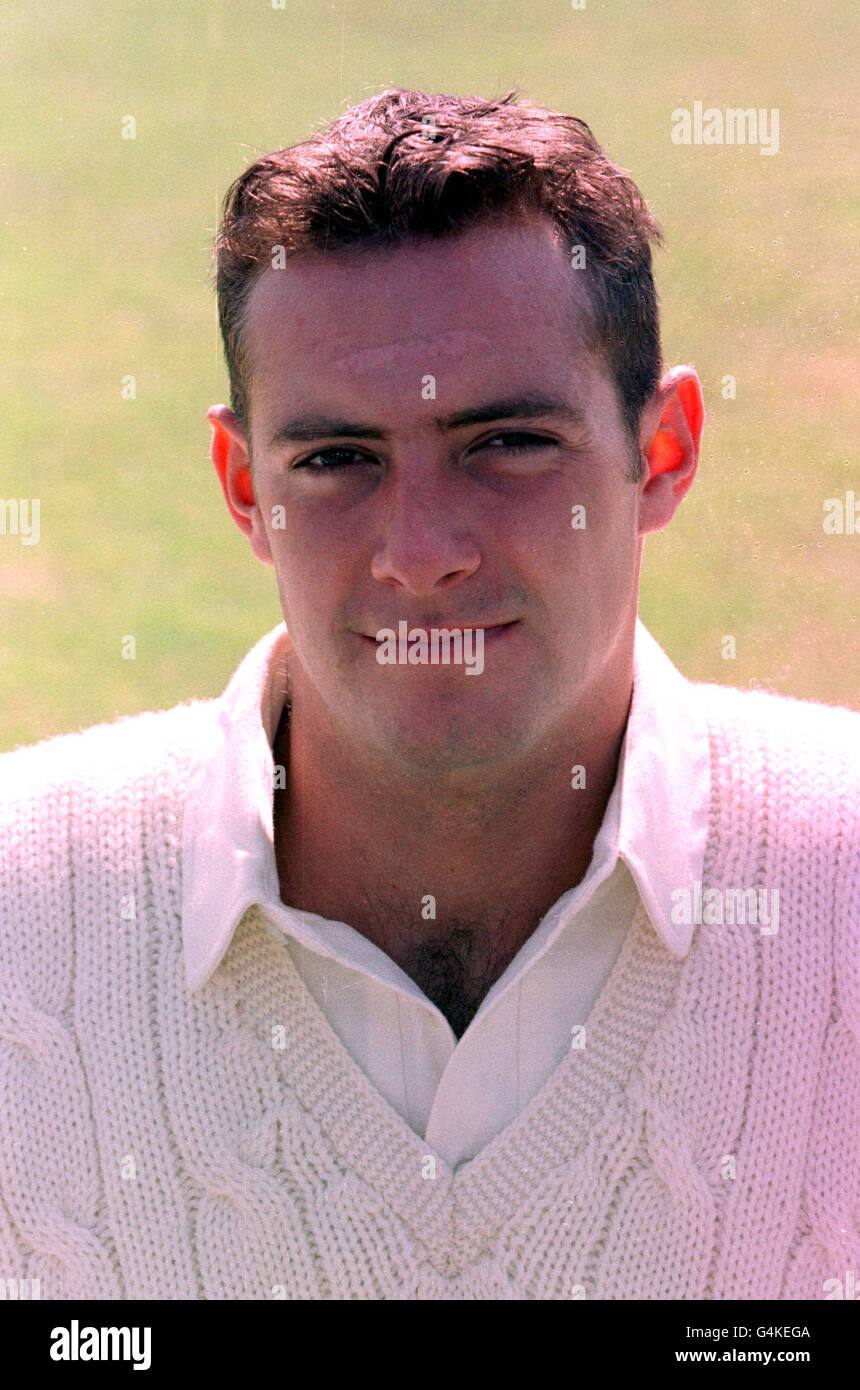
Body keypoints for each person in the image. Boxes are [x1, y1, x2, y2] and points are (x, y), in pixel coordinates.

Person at [1, 89, 857, 1301]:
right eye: (337, 459)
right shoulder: (17, 917)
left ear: (660, 451)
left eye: (504, 442)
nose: (419, 550)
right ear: (245, 486)